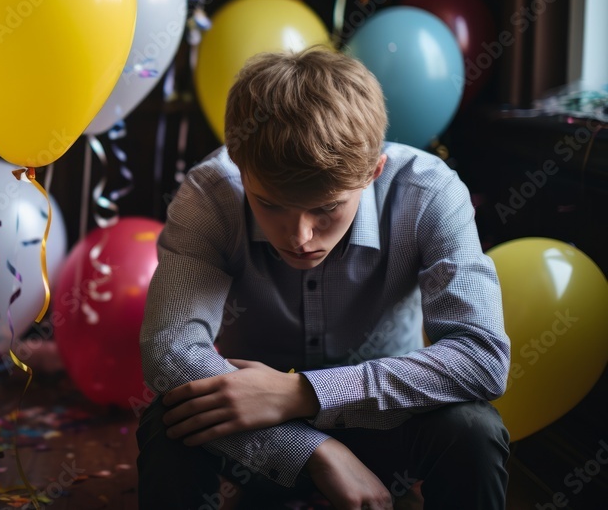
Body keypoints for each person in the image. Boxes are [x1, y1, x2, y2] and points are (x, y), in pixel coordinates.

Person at [137, 47, 511, 510]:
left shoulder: (430, 192)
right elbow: (168, 353)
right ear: (238, 162)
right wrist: (312, 449)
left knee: (474, 429)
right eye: (270, 204)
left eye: (327, 207)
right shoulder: (210, 193)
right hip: (254, 432)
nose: (300, 237)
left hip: (385, 423)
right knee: (171, 419)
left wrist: (303, 393)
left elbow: (482, 358)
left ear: (373, 172)